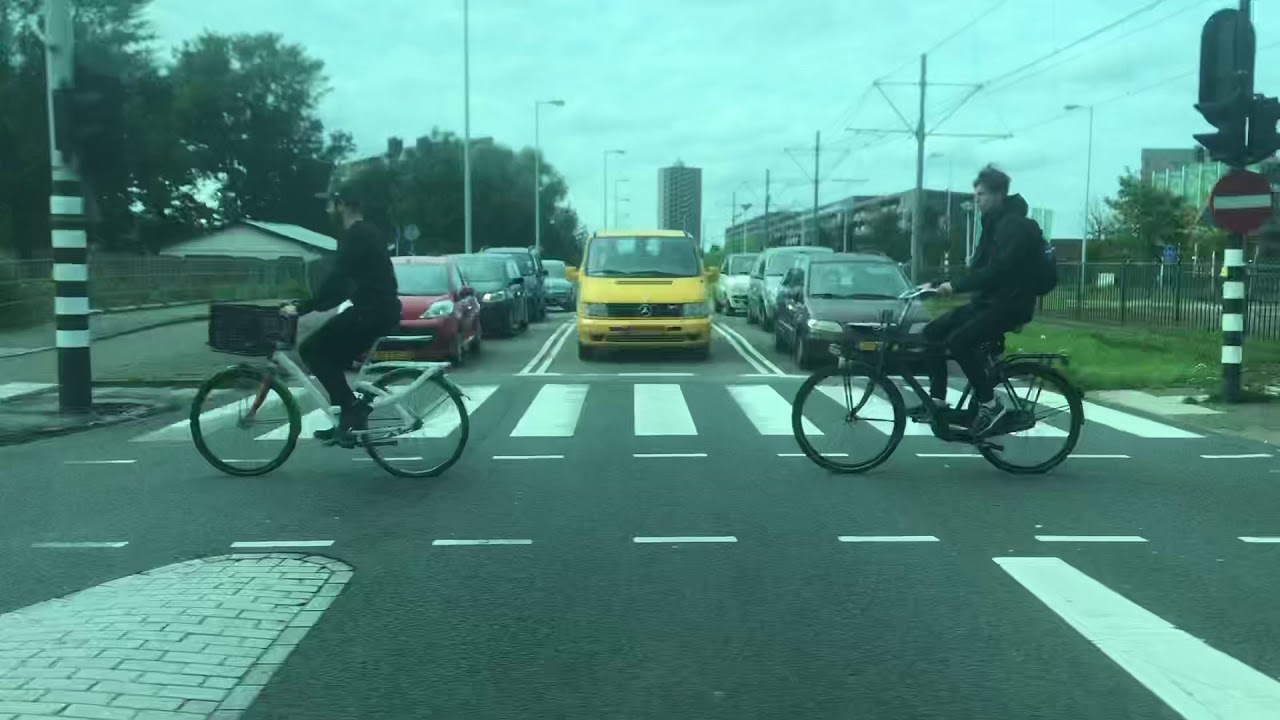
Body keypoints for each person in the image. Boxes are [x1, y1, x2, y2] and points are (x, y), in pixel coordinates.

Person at [917, 164, 1044, 437]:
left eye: (981, 195)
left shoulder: (1014, 226)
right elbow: (977, 268)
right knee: (932, 332)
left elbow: (998, 269)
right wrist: (939, 282)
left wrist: (957, 286)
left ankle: (990, 404)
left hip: (1010, 304)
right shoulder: (993, 223)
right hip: (989, 301)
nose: (977, 200)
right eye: (976, 195)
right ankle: (937, 402)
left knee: (959, 342)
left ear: (999, 195)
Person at [280, 183, 401, 445]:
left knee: (312, 350)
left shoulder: (355, 235)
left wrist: (303, 307)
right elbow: (345, 287)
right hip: (378, 309)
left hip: (372, 312)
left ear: (341, 205)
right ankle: (345, 421)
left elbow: (338, 279)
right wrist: (312, 304)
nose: (328, 210)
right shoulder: (368, 232)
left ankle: (351, 411)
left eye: (330, 205)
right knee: (329, 357)